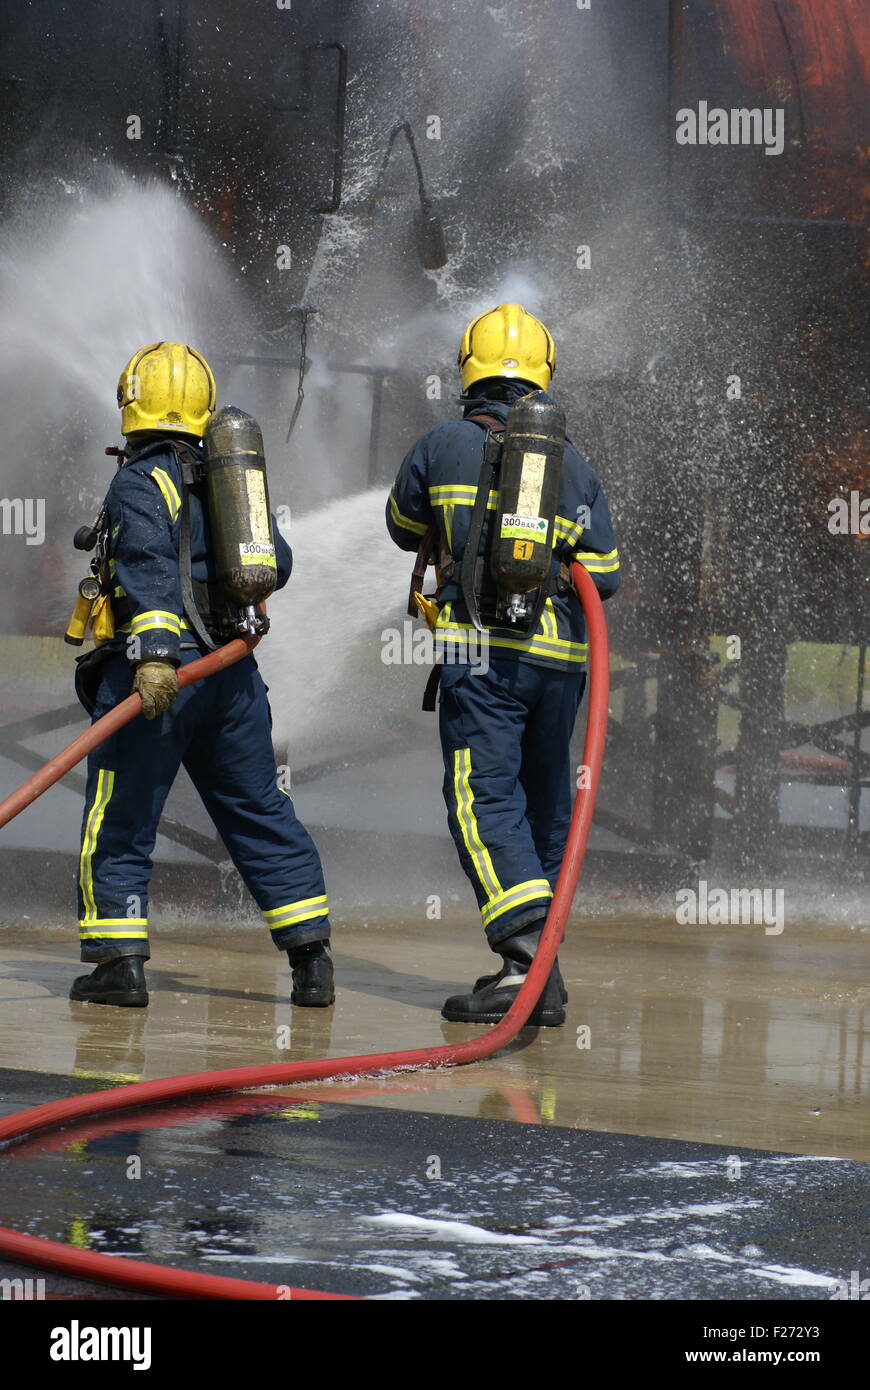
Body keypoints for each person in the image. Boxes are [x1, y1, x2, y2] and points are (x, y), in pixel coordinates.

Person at [70, 340, 333, 1009]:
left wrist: (156, 657)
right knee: (259, 810)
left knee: (120, 814)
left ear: (132, 407)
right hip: (232, 681)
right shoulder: (229, 477)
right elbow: (277, 562)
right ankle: (312, 960)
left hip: (158, 680)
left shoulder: (138, 481)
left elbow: (148, 572)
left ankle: (118, 965)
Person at [386, 305, 620, 1026]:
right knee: (543, 804)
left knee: (482, 798)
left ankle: (523, 959)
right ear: (544, 372)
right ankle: (540, 970)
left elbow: (400, 527)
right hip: (559, 666)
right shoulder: (572, 461)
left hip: (482, 655)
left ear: (469, 369)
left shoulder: (440, 444)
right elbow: (604, 574)